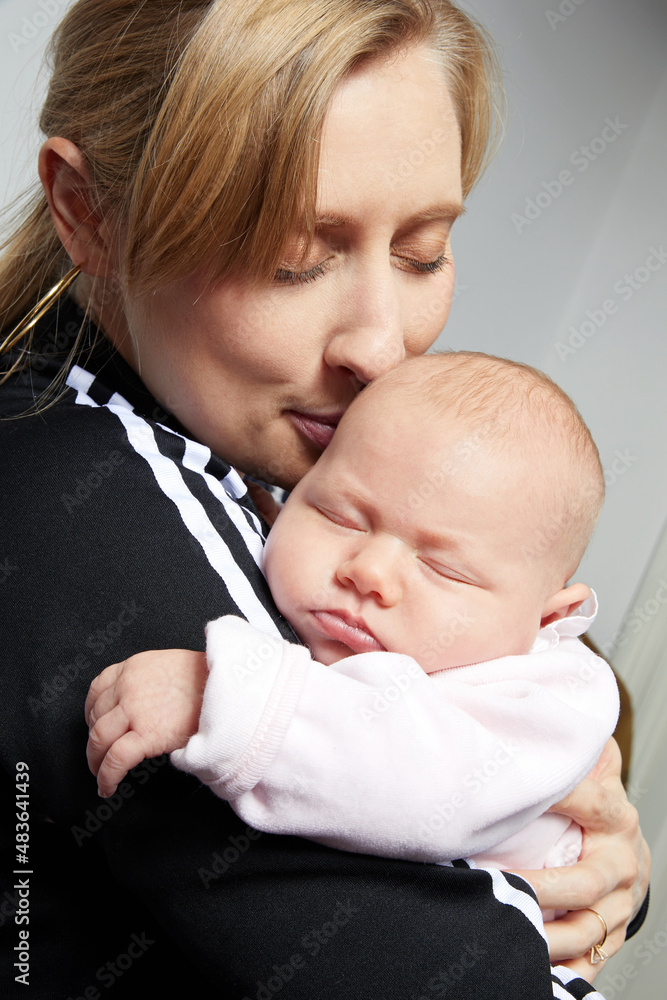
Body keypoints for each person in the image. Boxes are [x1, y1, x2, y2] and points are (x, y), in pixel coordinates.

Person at [0, 2, 648, 997]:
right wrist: (557, 886)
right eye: (297, 259)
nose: (380, 346)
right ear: (89, 214)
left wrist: (572, 804)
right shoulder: (91, 507)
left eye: (423, 250)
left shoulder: (237, 442)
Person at [86, 352, 620, 896]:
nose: (368, 572)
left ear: (546, 618)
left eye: (442, 568)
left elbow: (416, 781)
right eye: (339, 516)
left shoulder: (555, 697)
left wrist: (222, 696)